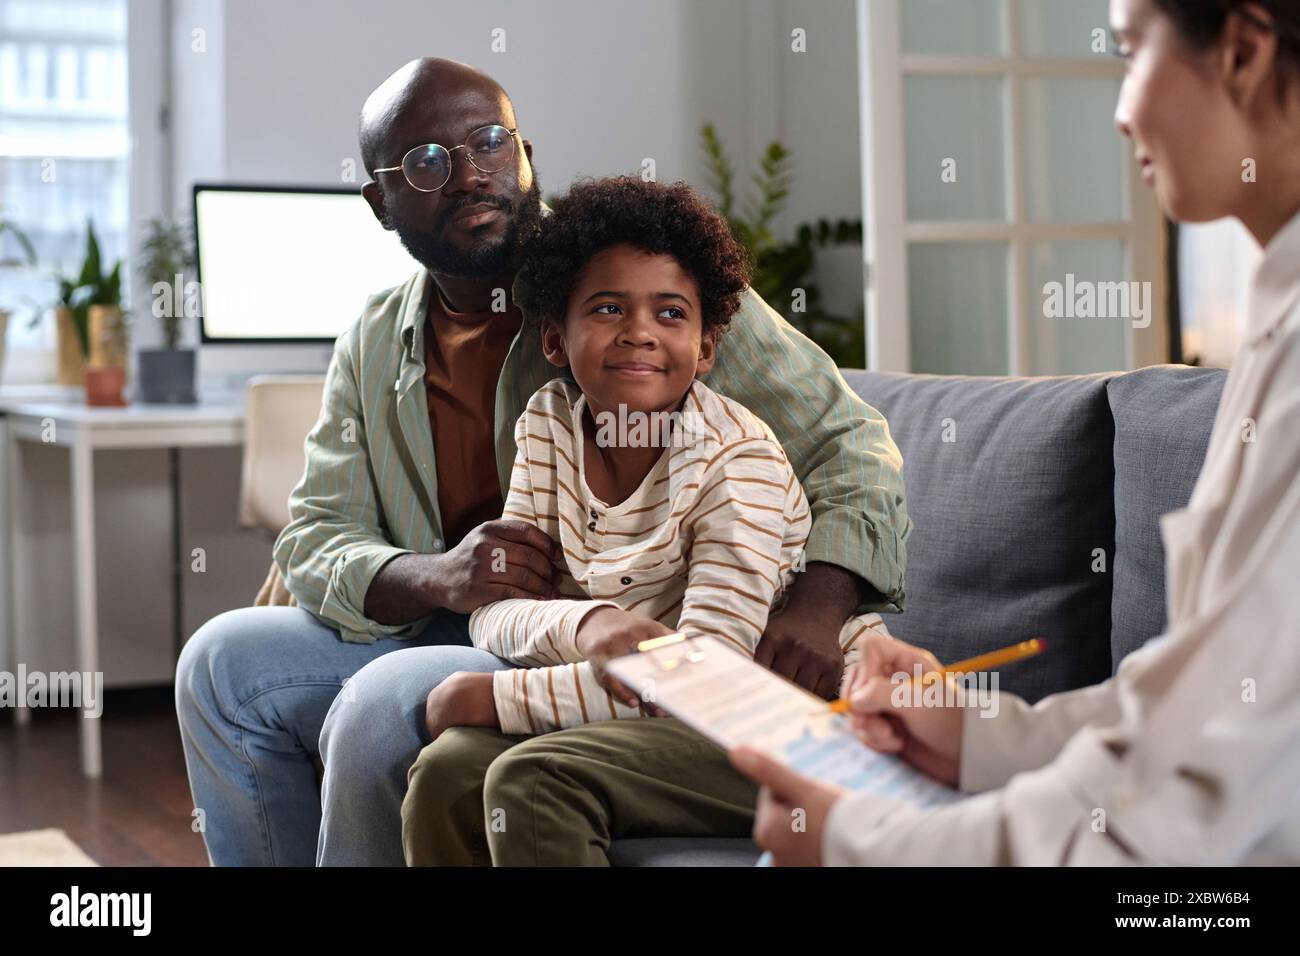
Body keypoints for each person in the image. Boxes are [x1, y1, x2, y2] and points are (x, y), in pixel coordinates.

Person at [175, 57, 911, 866]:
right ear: (381, 203)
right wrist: (439, 576)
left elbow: (851, 448)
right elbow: (316, 531)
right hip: (464, 615)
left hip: (590, 631)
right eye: (426, 162)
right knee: (217, 661)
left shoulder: (629, 278)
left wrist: (815, 607)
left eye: (490, 142)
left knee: (379, 706)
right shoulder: (376, 339)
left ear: (526, 155)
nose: (469, 175)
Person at [731, 0, 1300, 866]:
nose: (1119, 111)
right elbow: (1190, 705)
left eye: (1132, 51)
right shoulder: (1276, 326)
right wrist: (972, 735)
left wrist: (857, 841)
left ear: (1244, 55)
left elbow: (1184, 827)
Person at [399, 177, 890, 865]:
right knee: (446, 773)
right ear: (552, 338)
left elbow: (703, 674)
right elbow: (496, 610)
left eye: (670, 314)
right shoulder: (546, 427)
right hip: (668, 708)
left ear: (707, 347)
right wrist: (589, 624)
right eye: (606, 308)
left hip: (789, 722)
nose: (639, 333)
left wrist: (501, 698)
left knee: (531, 778)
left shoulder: (735, 459)